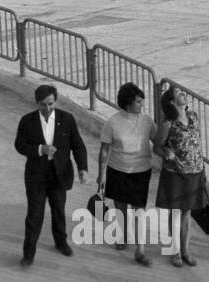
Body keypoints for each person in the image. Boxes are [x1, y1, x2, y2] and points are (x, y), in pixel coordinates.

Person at [14, 84, 89, 264]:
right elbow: (19, 145)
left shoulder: (67, 119)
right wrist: (40, 149)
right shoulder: (27, 121)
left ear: (55, 101)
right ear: (37, 103)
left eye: (50, 104)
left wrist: (82, 169)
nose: (47, 109)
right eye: (43, 105)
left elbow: (77, 145)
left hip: (59, 174)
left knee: (59, 210)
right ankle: (28, 254)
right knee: (35, 214)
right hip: (36, 176)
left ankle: (61, 242)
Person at [96, 82, 156, 267]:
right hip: (118, 170)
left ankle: (140, 249)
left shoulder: (147, 121)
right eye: (138, 101)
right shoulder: (113, 122)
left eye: (141, 101)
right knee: (121, 208)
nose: (141, 105)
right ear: (128, 103)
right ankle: (122, 236)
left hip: (141, 171)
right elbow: (104, 150)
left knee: (139, 211)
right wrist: (101, 175)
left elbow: (158, 141)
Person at [152, 81, 204, 267]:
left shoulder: (193, 117)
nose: (183, 94)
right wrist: (167, 153)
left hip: (194, 171)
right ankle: (176, 252)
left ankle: (185, 251)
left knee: (186, 213)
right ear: (173, 102)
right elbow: (157, 147)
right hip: (175, 172)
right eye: (179, 93)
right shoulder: (168, 124)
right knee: (175, 213)